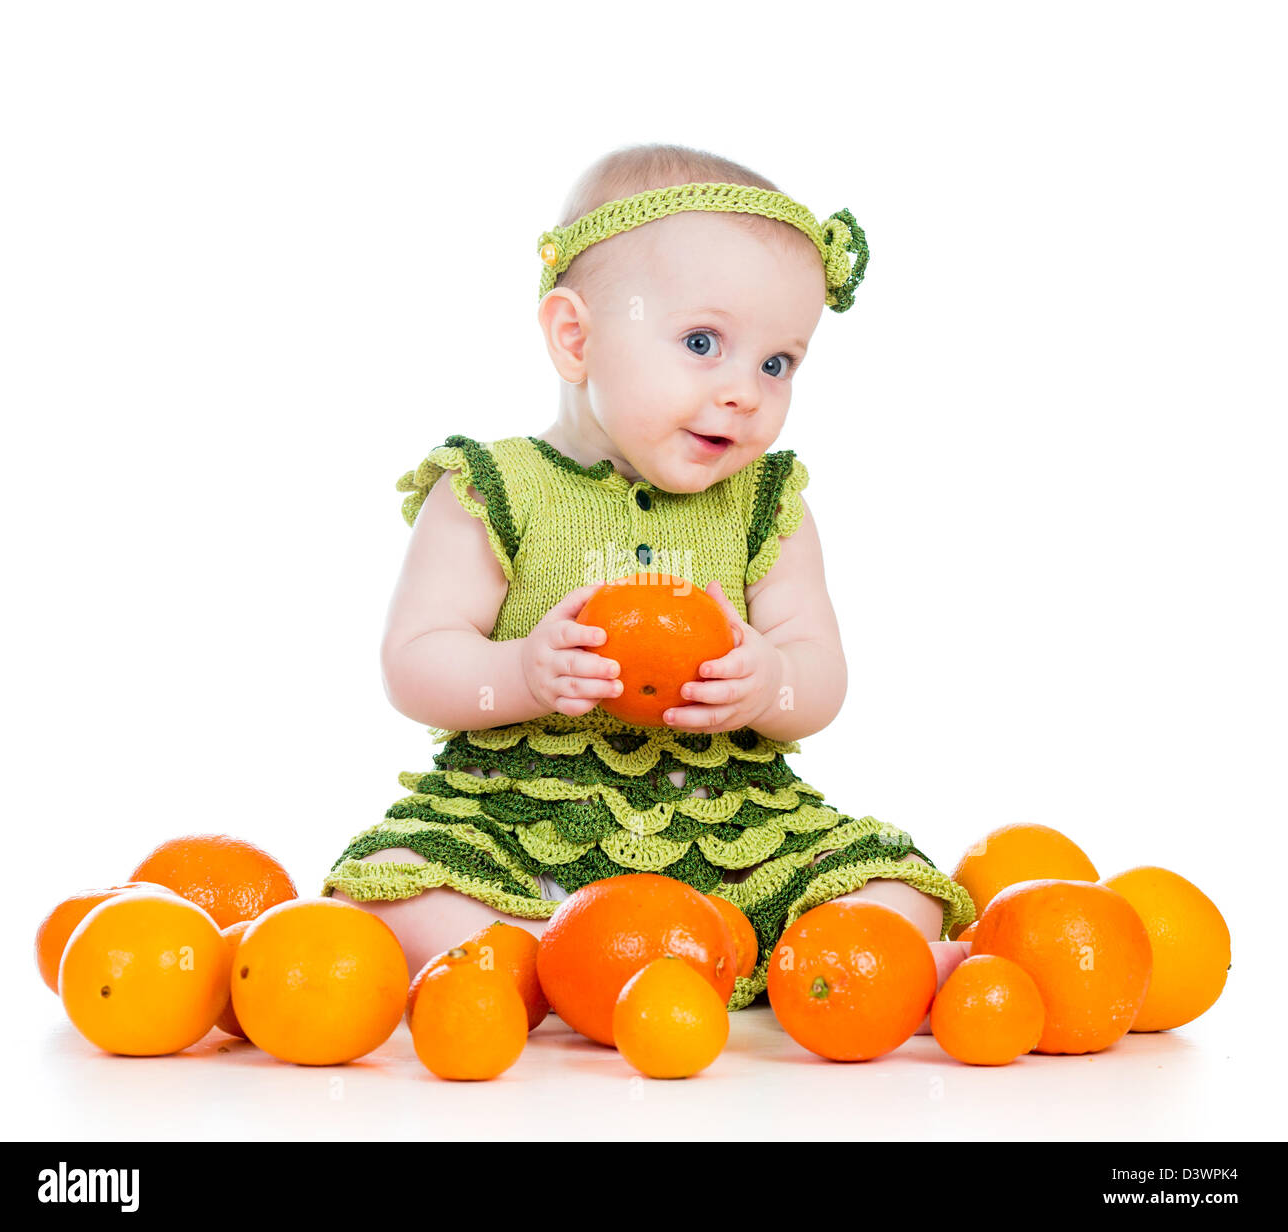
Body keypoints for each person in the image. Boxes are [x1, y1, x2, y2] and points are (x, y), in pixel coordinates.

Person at [324, 143, 975, 1018]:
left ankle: (807, 956)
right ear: (576, 337)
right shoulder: (493, 488)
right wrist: (521, 672)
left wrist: (769, 678)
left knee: (901, 885)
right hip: (519, 822)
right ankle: (551, 954)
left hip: (728, 821)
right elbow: (416, 660)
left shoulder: (766, 506)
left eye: (778, 363)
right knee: (391, 884)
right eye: (703, 343)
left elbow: (819, 675)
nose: (747, 392)